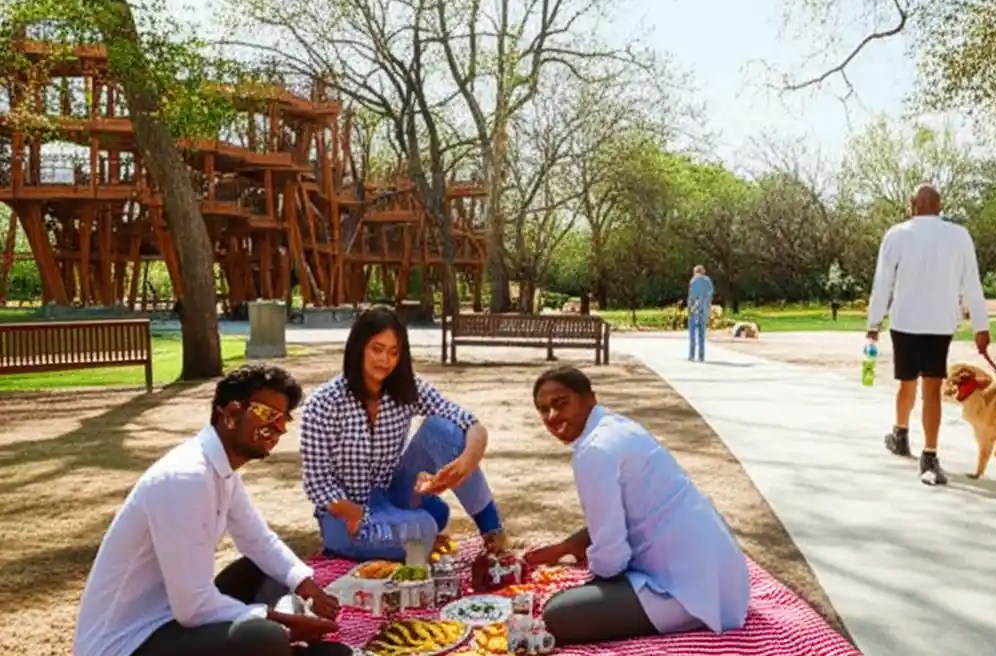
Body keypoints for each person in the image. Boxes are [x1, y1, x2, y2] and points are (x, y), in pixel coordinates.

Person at [73, 364, 350, 656]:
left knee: (271, 572)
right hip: (128, 642)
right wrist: (280, 620)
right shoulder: (185, 478)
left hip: (172, 621)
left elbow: (258, 540)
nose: (279, 428)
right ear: (230, 414)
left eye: (285, 419)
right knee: (264, 637)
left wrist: (306, 586)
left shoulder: (220, 472)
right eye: (268, 415)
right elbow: (192, 607)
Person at [524, 366, 750, 645]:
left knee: (558, 614)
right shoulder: (617, 426)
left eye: (561, 403)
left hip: (692, 594)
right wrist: (564, 548)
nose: (552, 416)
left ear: (589, 398)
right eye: (543, 410)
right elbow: (622, 515)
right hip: (724, 577)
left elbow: (610, 560)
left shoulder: (594, 450)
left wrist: (592, 581)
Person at [299, 306, 506, 561]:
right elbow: (316, 481)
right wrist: (350, 511)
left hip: (390, 495)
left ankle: (492, 531)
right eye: (377, 349)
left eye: (393, 352)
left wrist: (467, 461)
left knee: (442, 430)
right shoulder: (322, 403)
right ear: (359, 347)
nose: (385, 360)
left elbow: (469, 423)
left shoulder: (405, 388)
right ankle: (410, 531)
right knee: (425, 527)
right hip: (343, 511)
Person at [865, 184, 991, 487]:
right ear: (940, 206)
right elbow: (972, 283)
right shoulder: (959, 235)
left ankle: (900, 433)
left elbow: (883, 283)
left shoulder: (896, 235)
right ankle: (930, 455)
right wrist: (981, 326)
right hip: (940, 324)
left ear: (912, 207)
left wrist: (873, 324)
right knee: (931, 390)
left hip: (905, 322)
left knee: (906, 383)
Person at [687, 265, 714, 362]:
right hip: (703, 310)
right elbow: (710, 296)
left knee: (692, 333)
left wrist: (690, 309)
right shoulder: (708, 281)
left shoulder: (693, 281)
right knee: (701, 334)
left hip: (694, 310)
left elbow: (691, 297)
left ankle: (691, 355)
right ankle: (701, 355)